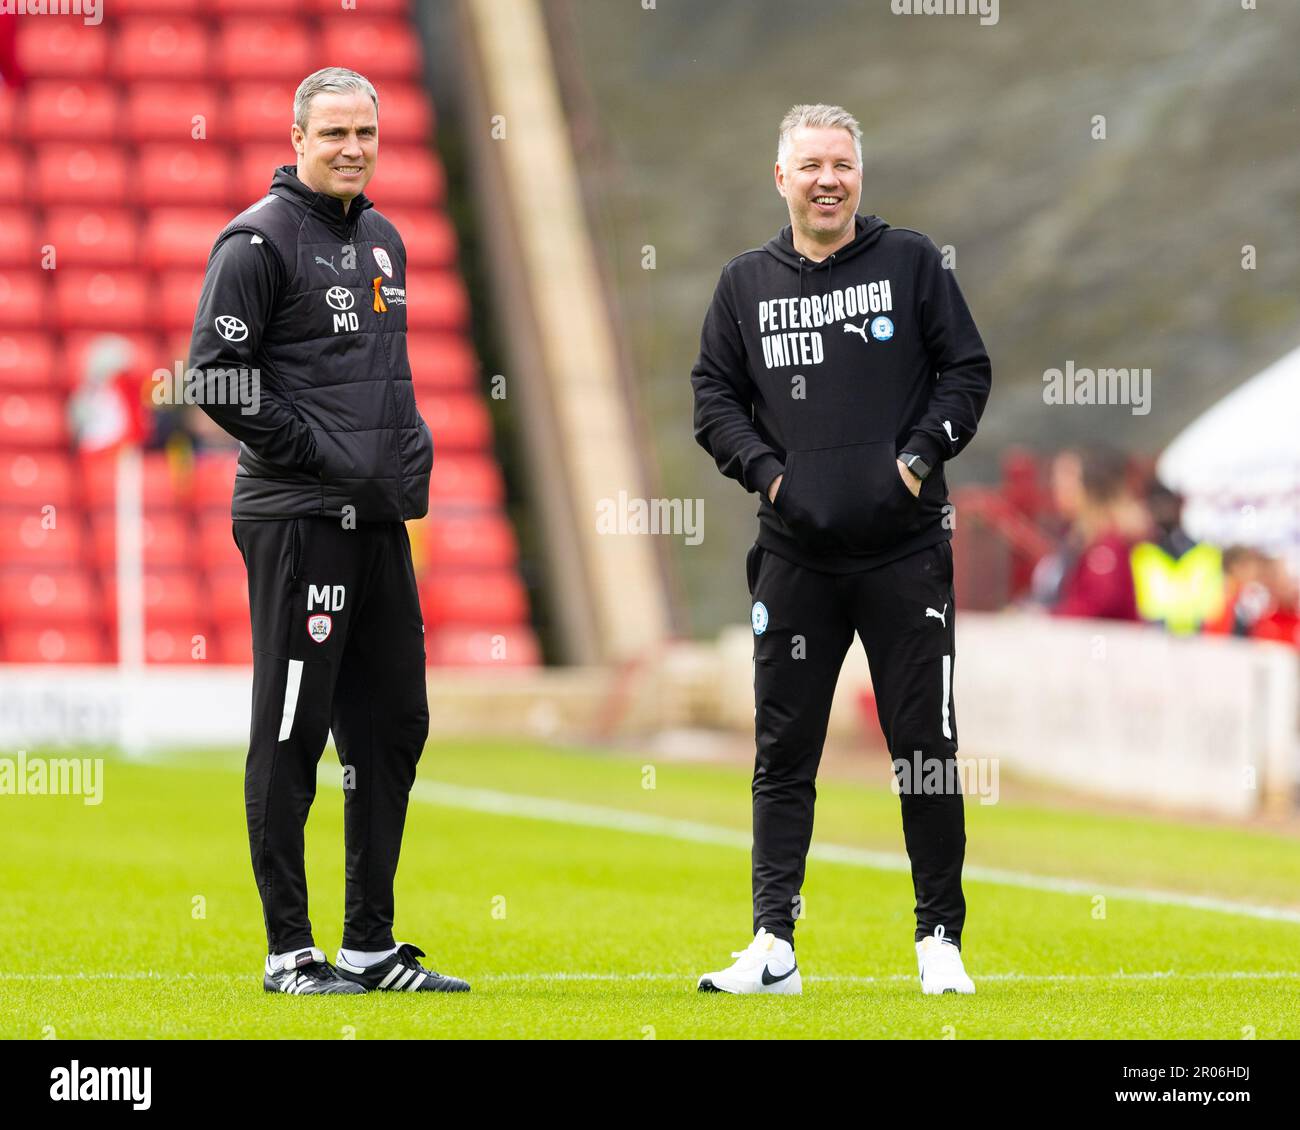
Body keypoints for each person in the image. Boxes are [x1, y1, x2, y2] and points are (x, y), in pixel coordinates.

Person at [690, 104, 992, 995]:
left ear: (860, 177)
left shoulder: (911, 263)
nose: (829, 180)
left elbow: (966, 370)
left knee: (924, 747)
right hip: (795, 558)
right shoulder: (745, 282)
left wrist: (919, 456)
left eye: (843, 166)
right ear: (780, 178)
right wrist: (770, 477)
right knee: (783, 753)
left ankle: (940, 940)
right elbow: (712, 396)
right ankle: (772, 942)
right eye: (812, 165)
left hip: (904, 556)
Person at [188, 67, 467, 995]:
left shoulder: (384, 240)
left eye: (367, 133)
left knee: (394, 725)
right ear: (298, 137)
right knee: (292, 728)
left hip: (377, 520)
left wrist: (404, 454)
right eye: (335, 133)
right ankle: (289, 952)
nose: (353, 148)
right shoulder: (256, 242)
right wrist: (319, 454)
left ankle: (369, 948)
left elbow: (376, 378)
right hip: (298, 519)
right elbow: (216, 378)